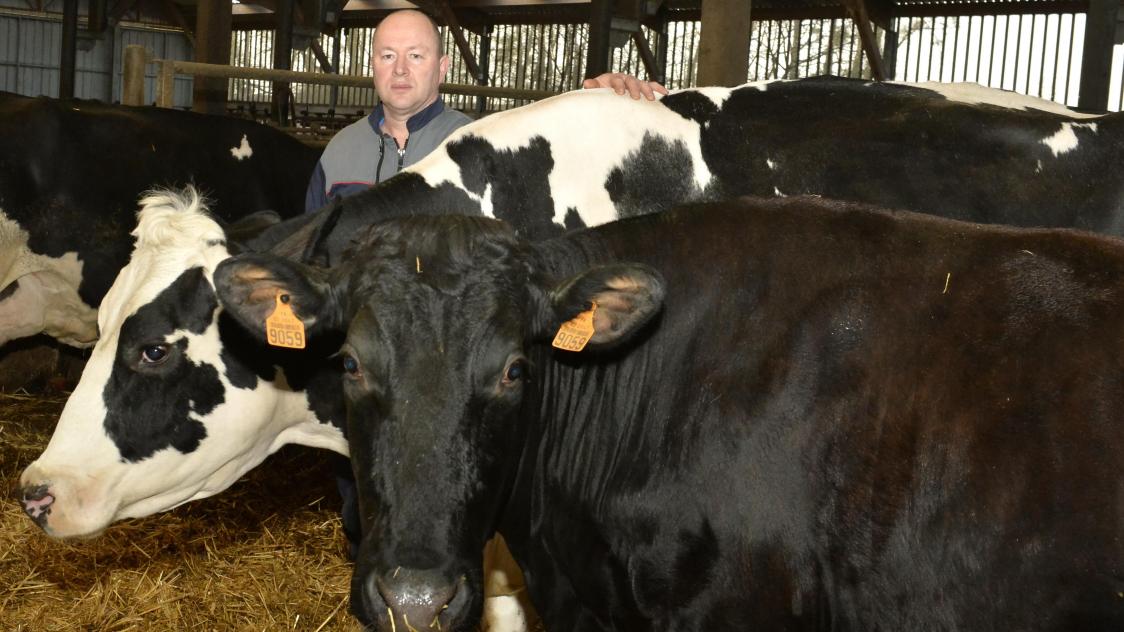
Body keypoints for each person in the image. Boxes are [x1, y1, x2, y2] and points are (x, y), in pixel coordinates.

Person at [305, 8, 668, 213]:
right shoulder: (338, 151)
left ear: (442, 68)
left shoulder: (478, 144)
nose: (400, 69)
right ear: (373, 65)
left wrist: (604, 109)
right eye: (388, 56)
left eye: (416, 56)